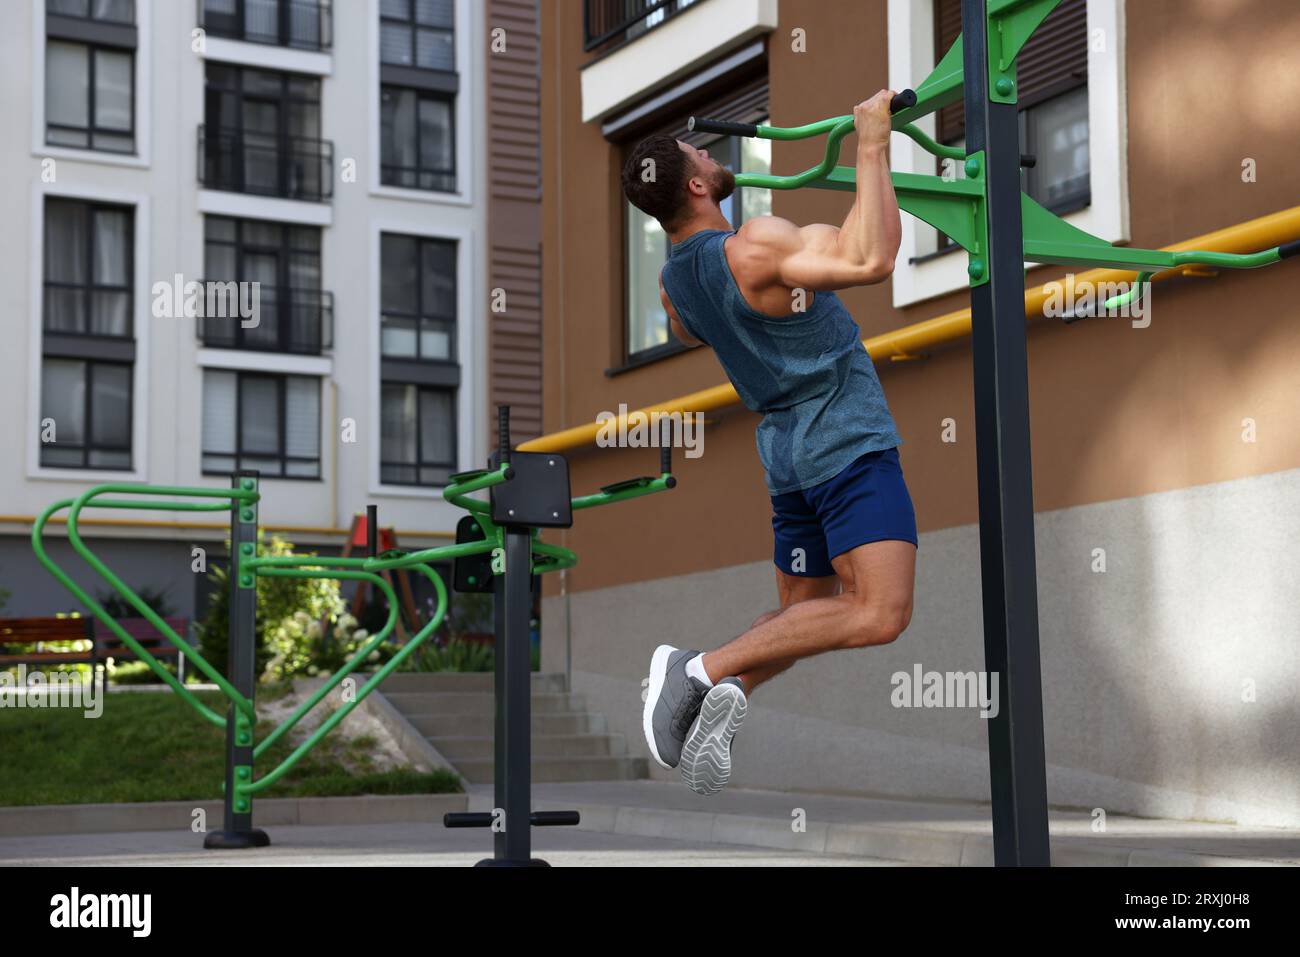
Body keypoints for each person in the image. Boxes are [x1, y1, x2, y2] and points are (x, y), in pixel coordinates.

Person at [623, 90, 918, 795]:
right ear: (695, 184)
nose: (712, 154)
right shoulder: (753, 245)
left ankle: (718, 693)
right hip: (843, 436)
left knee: (803, 614)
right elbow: (870, 256)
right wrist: (871, 141)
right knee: (879, 611)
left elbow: (693, 333)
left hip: (785, 452)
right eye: (701, 154)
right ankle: (697, 670)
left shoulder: (674, 286)